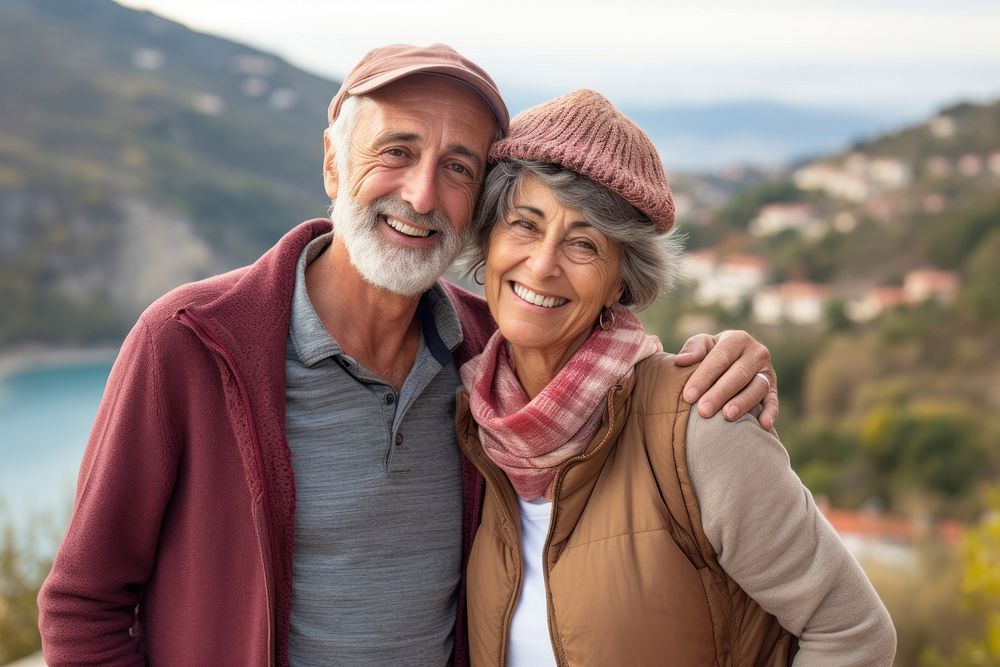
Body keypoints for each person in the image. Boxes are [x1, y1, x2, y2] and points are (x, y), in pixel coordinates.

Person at [37, 45, 780, 665]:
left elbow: (609, 346)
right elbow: (84, 603)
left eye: (458, 167)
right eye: (397, 151)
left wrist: (733, 358)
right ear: (333, 164)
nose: (422, 194)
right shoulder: (190, 342)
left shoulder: (494, 354)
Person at [457, 89, 896, 665]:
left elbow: (853, 632)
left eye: (584, 243)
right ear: (488, 239)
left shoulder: (702, 423)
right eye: (524, 225)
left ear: (621, 281)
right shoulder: (470, 423)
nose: (543, 264)